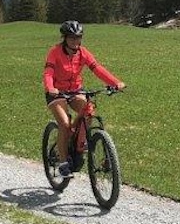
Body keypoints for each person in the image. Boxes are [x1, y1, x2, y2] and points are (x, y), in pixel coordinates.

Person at [43, 20, 124, 177]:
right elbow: (48, 73)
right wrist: (50, 87)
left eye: (78, 37)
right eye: (72, 38)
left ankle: (80, 145)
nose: (76, 41)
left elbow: (97, 68)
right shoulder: (55, 52)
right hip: (56, 92)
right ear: (65, 38)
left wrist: (115, 82)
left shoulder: (83, 52)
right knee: (65, 124)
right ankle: (63, 162)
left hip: (75, 91)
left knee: (88, 110)